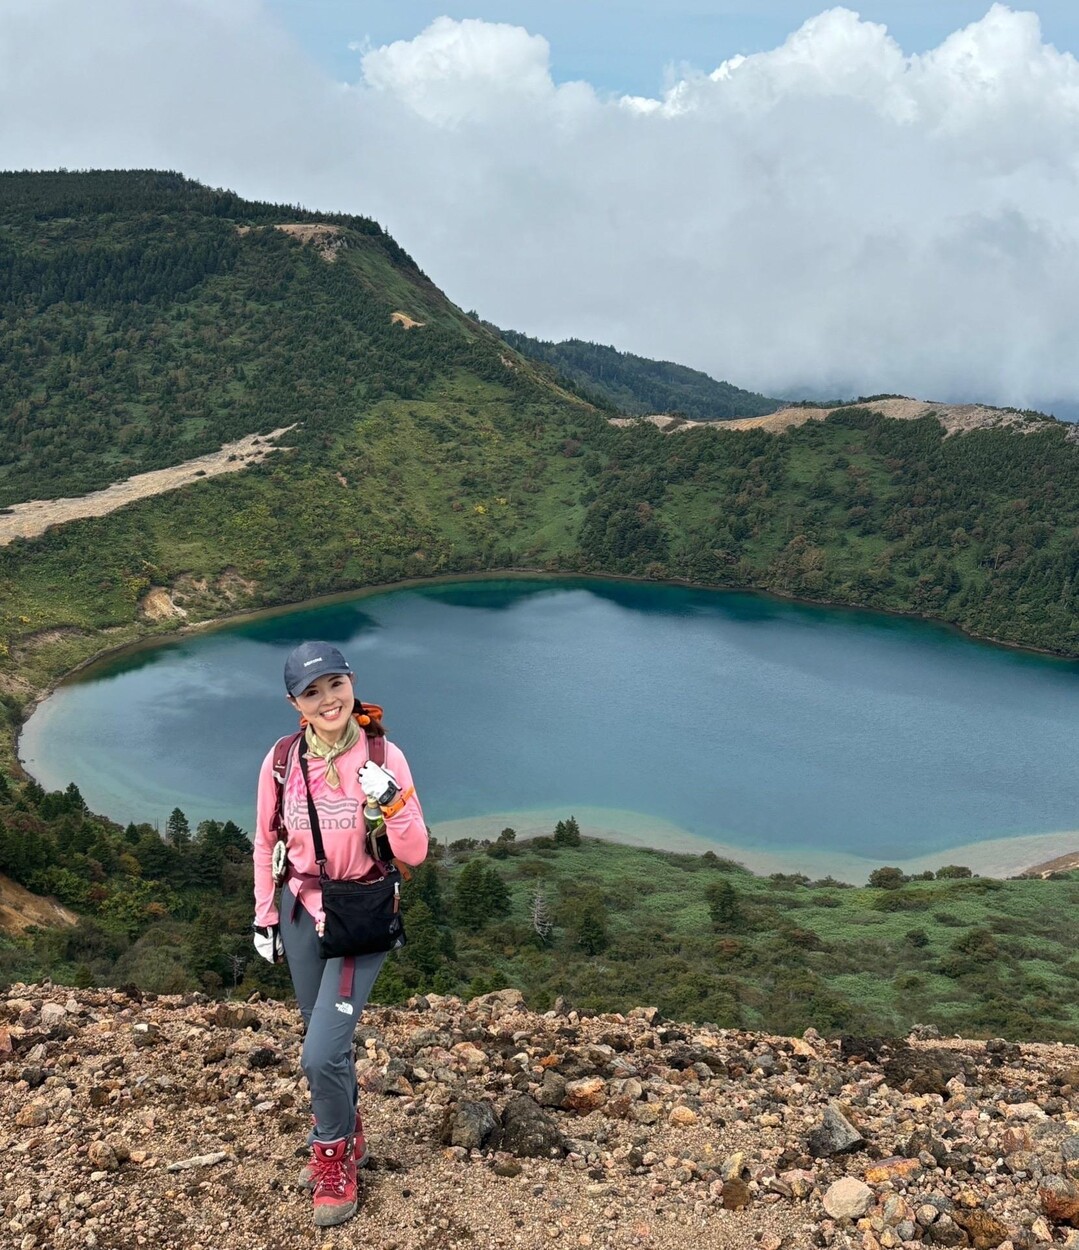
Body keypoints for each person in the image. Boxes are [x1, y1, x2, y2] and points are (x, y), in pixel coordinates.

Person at [252, 641, 428, 1228]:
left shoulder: (385, 756)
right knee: (324, 1044)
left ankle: (332, 1156)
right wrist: (265, 913)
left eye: (334, 683)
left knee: (320, 1051)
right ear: (294, 703)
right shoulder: (281, 761)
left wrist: (393, 799)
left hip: (359, 914)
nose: (327, 699)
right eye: (312, 691)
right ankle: (350, 1132)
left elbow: (416, 852)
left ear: (351, 682)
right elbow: (264, 841)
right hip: (300, 906)